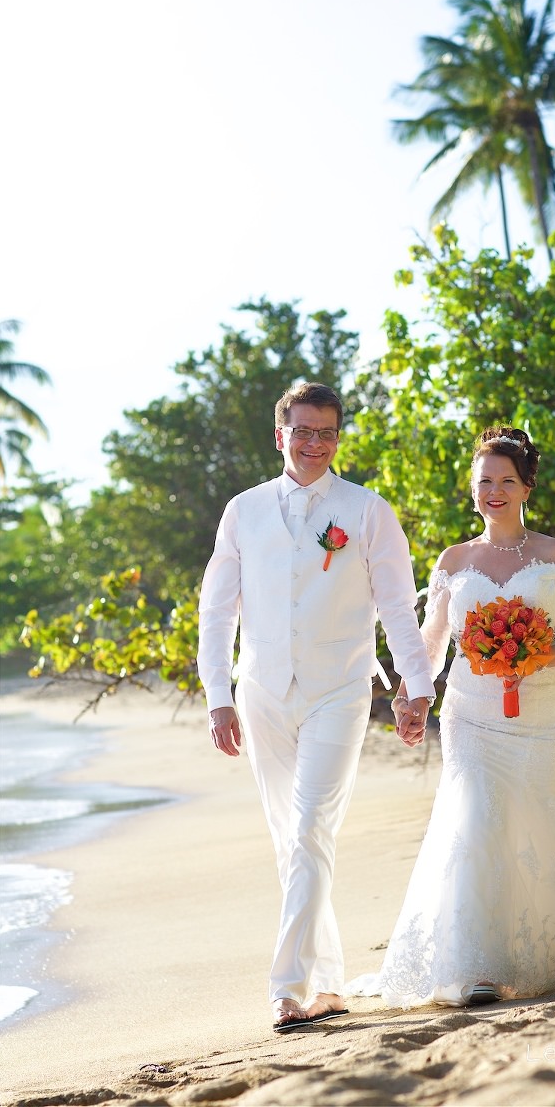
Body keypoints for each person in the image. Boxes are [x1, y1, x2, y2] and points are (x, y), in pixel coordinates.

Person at [351, 426, 555, 1009]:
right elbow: (432, 643)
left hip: (546, 714)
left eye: (506, 480)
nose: (494, 490)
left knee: (537, 819)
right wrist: (411, 697)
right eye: (484, 481)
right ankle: (478, 968)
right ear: (472, 490)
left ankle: (553, 949)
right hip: (471, 713)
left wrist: (534, 657)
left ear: (527, 487)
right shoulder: (454, 561)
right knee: (475, 817)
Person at [197, 382, 436, 1033]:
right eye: (301, 431)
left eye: (325, 433)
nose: (313, 443)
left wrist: (416, 686)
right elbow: (217, 610)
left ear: (337, 439)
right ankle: (327, 984)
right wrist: (218, 694)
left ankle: (287, 988)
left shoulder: (366, 511)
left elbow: (397, 608)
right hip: (263, 691)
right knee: (293, 841)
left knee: (308, 830)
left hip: (341, 686)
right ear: (280, 436)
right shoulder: (243, 511)